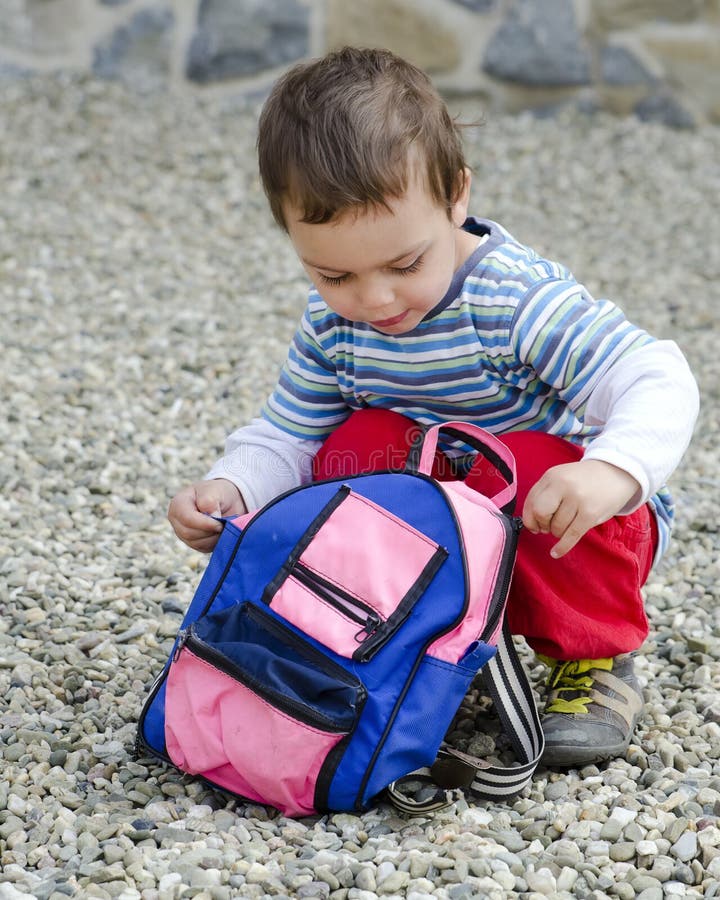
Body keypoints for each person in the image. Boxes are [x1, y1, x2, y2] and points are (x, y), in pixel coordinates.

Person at [167, 47, 699, 767]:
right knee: (356, 442)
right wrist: (234, 486)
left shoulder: (512, 300)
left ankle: (596, 658)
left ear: (456, 196)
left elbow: (655, 375)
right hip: (450, 532)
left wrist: (614, 471)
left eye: (405, 264)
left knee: (526, 456)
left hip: (570, 526)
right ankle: (414, 641)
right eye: (335, 274)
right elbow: (288, 435)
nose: (375, 299)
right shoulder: (334, 326)